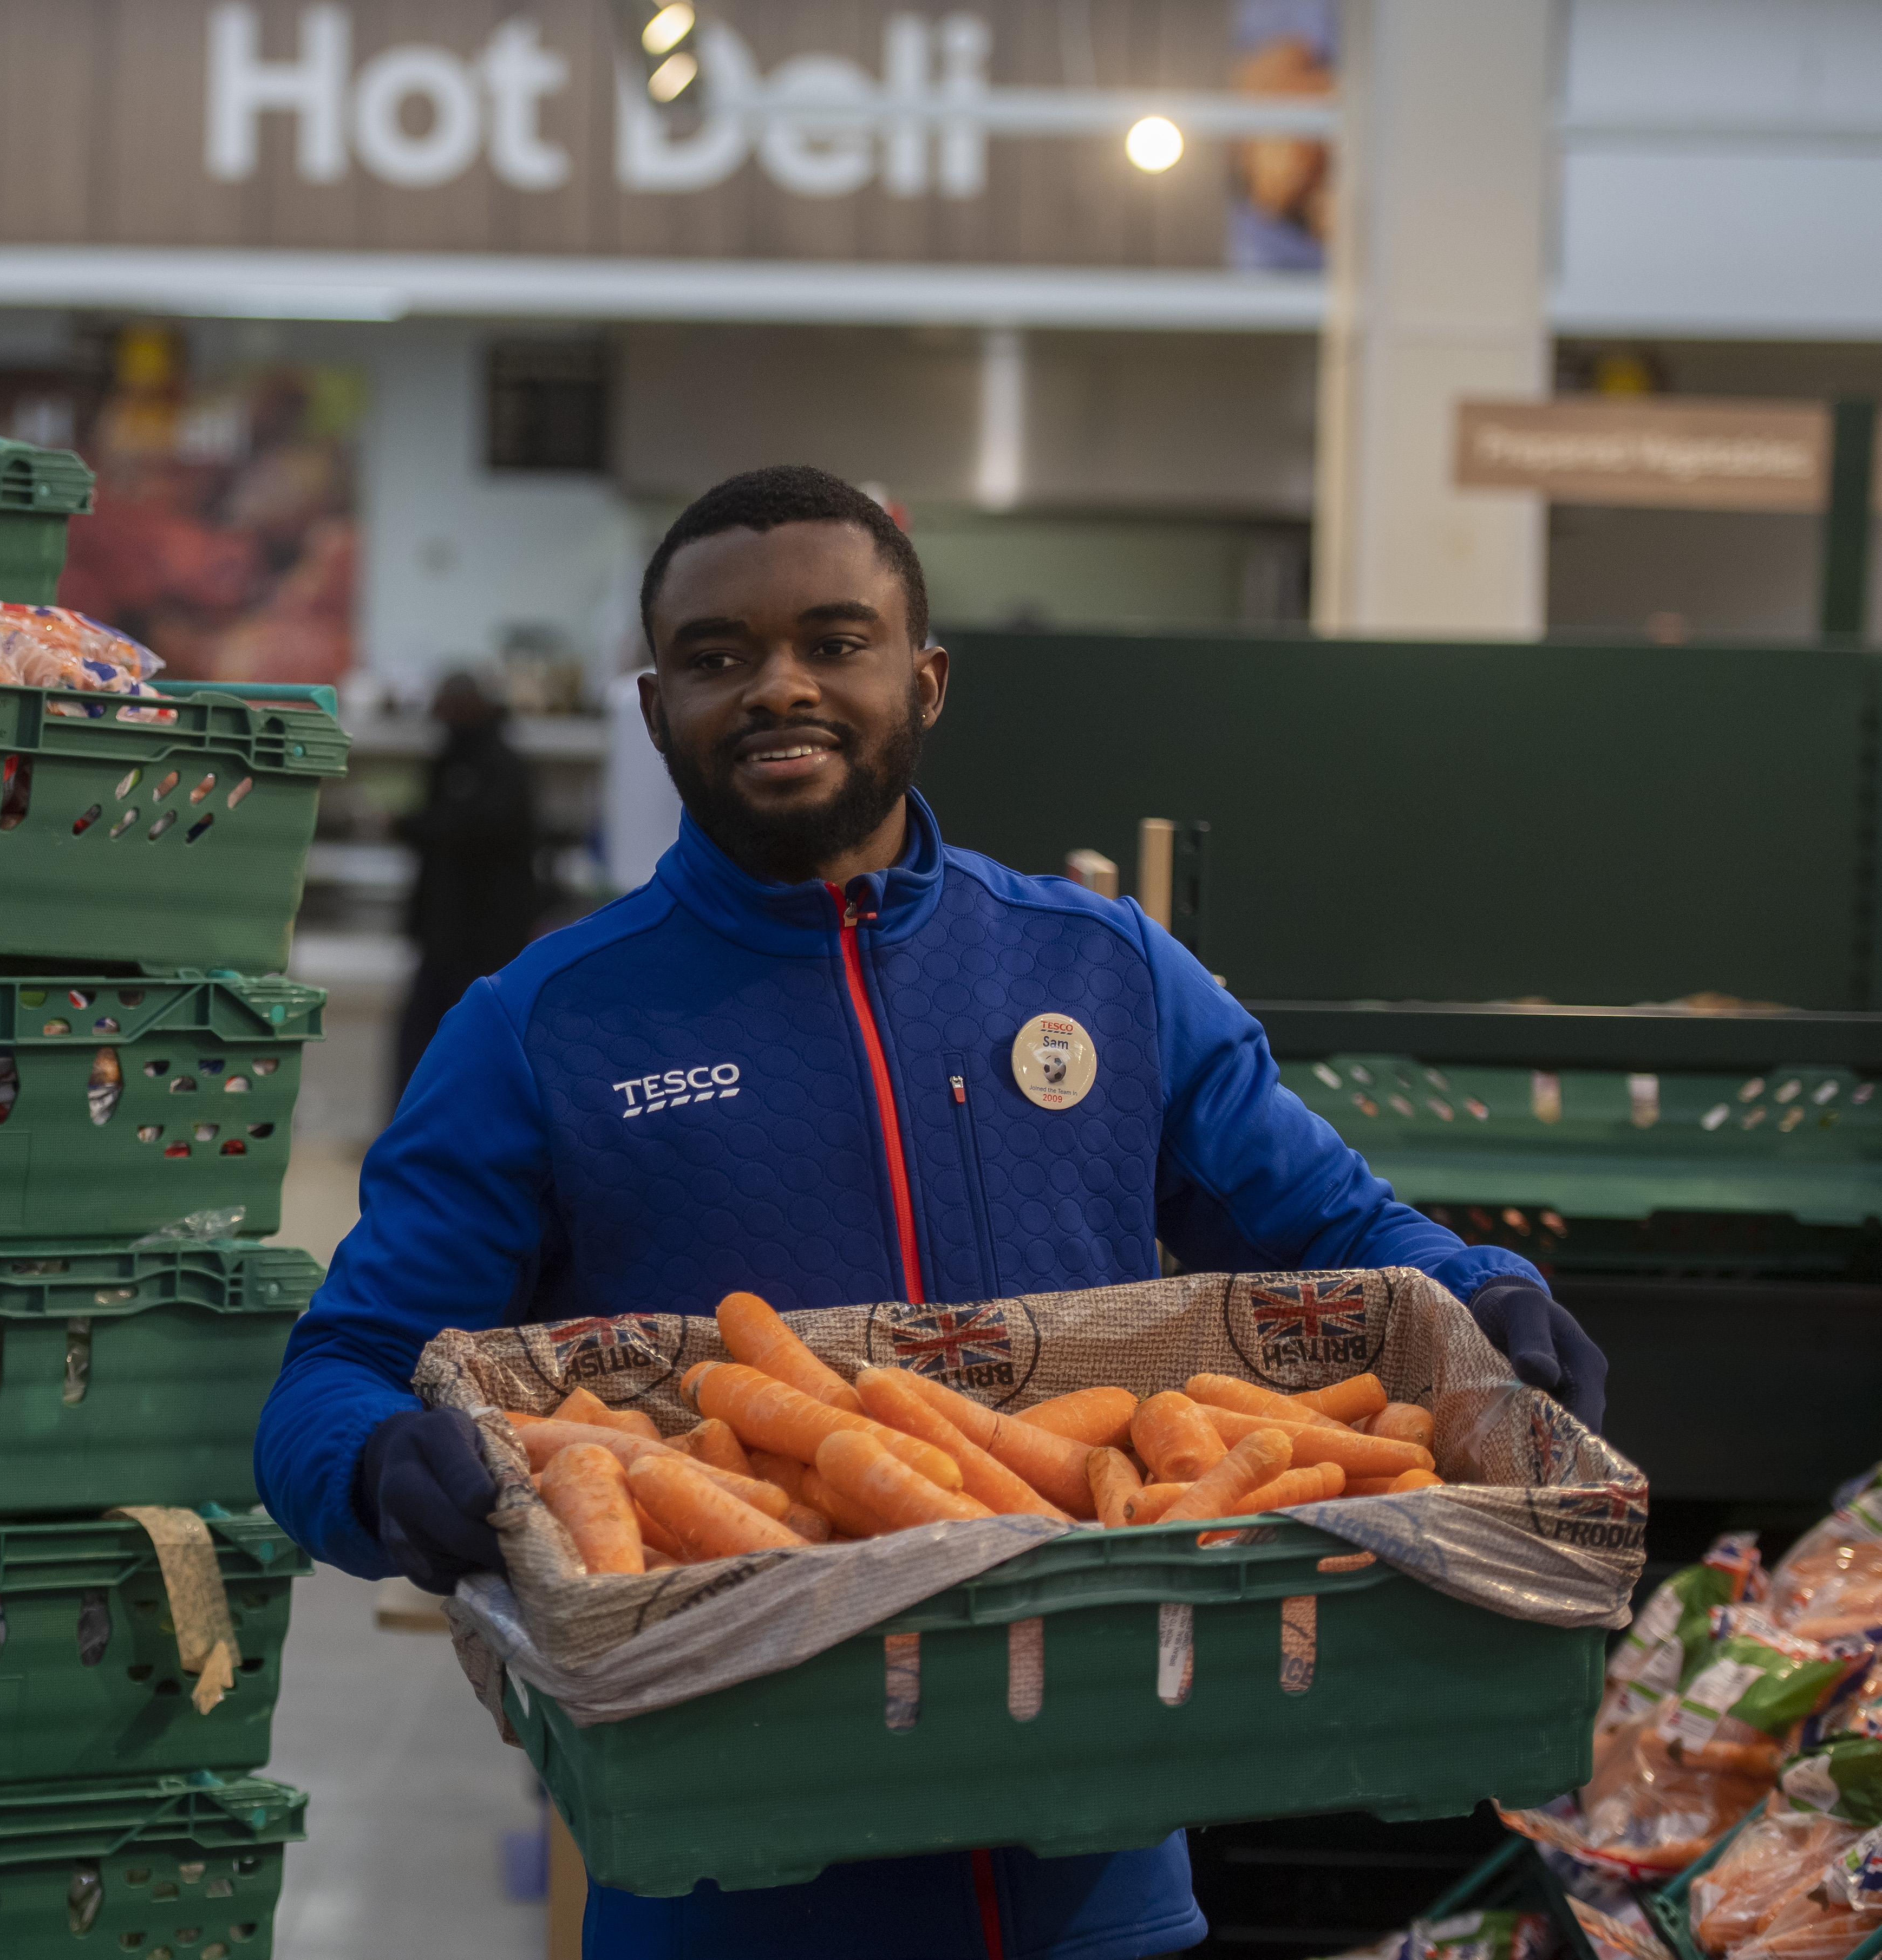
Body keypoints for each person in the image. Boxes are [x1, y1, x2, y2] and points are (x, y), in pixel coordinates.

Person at [254, 465, 1604, 1960]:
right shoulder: (541, 1027)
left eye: (833, 641)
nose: (778, 686)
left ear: (925, 679)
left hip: (1097, 1880)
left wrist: (1479, 1290)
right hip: (729, 1891)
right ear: (653, 707)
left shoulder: (1101, 973)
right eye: (715, 655)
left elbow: (1336, 1233)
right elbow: (336, 1370)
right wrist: (374, 1463)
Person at [389, 669, 543, 1109]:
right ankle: (413, 1123)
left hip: (484, 937)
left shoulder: (499, 766)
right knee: (425, 1040)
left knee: (463, 1043)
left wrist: (409, 825)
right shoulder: (456, 759)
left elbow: (474, 830)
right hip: (445, 935)